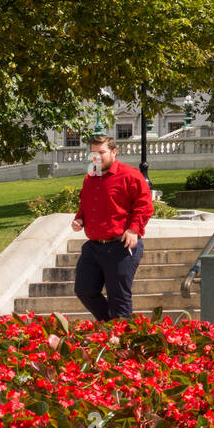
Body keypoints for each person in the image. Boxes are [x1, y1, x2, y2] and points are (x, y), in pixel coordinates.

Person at [72, 133, 153, 321]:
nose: (97, 158)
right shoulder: (90, 178)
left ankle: (122, 341)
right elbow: (85, 205)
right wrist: (80, 219)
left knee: (119, 297)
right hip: (94, 247)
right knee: (84, 290)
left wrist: (134, 229)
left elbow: (144, 205)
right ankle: (111, 326)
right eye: (93, 153)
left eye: (101, 152)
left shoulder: (130, 175)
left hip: (121, 245)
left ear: (114, 152)